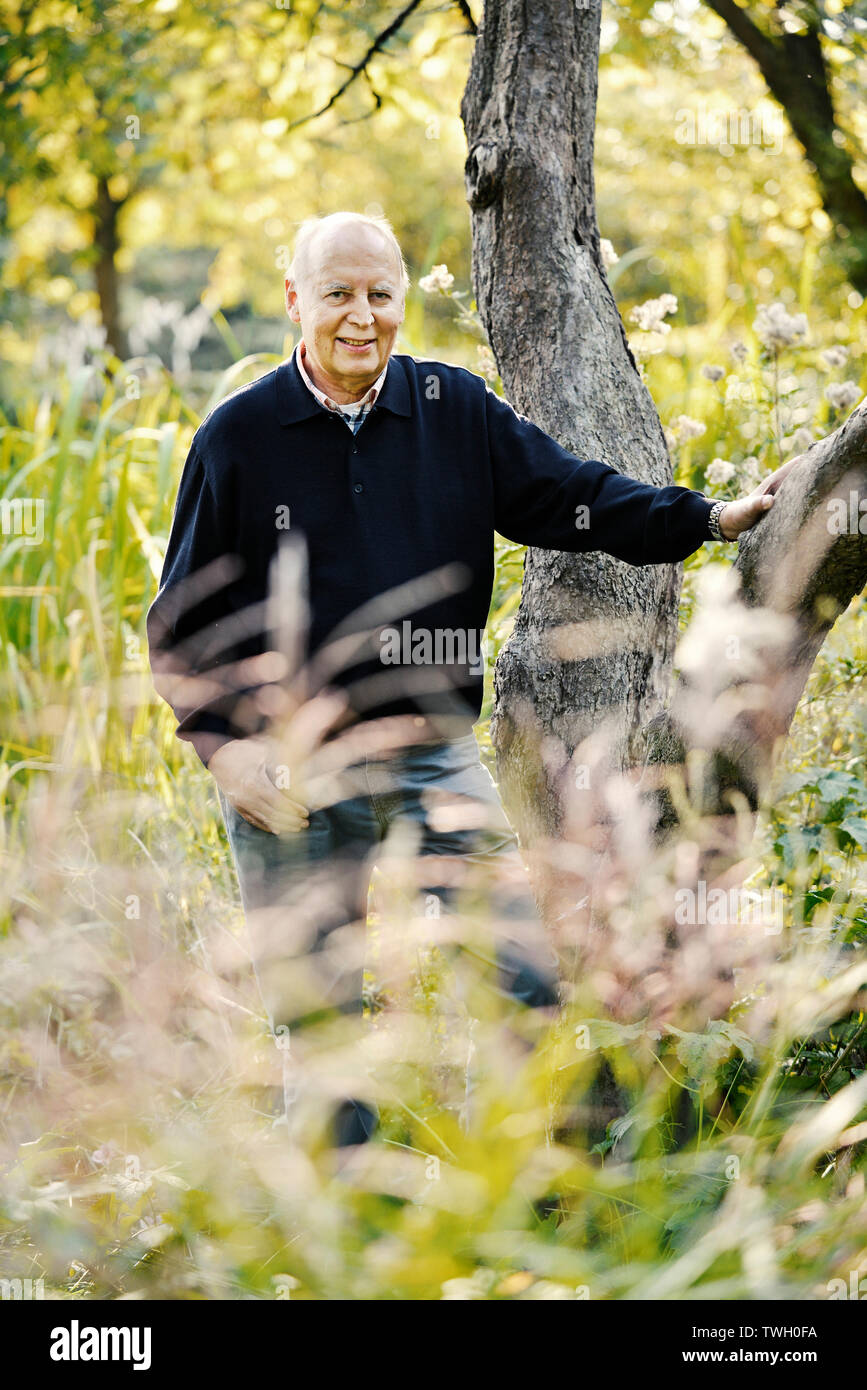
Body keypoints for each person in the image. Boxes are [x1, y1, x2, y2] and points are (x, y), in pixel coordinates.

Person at [147, 211, 800, 1145]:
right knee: (320, 1017)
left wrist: (708, 519)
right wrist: (222, 753)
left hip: (428, 755)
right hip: (288, 765)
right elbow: (180, 625)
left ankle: (533, 1195)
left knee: (521, 975)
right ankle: (348, 1237)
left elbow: (575, 497)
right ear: (296, 300)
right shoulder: (239, 438)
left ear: (402, 298)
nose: (361, 316)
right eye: (337, 294)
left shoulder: (452, 411)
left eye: (381, 294)